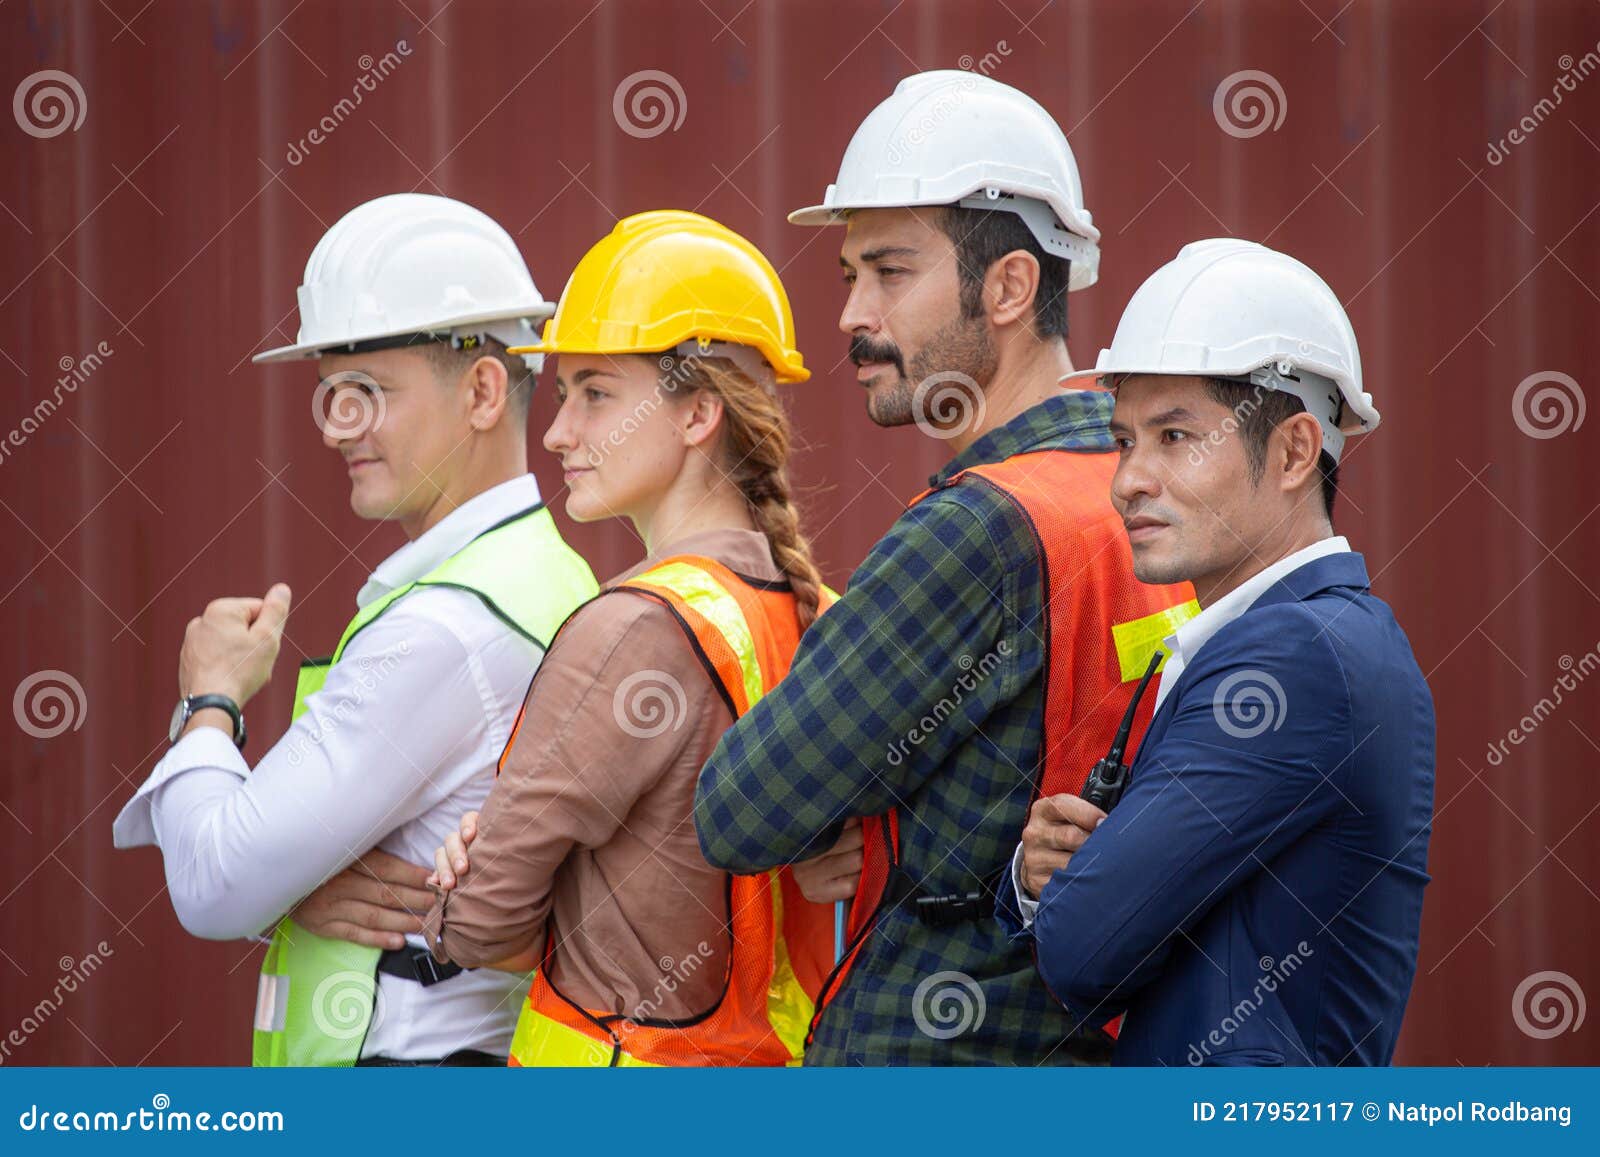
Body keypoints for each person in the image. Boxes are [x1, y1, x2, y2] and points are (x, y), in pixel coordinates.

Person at [692, 71, 1198, 1065]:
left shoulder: (977, 529)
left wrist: (832, 814)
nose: (849, 315)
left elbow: (740, 809)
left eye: (889, 272)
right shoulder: (1140, 489)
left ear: (1008, 285)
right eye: (849, 276)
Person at [112, 193, 598, 1066]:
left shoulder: (447, 627)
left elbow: (217, 881)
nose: (339, 428)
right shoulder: (542, 578)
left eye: (368, 391)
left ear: (483, 389)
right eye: (332, 391)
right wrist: (297, 887)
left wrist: (210, 700)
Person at [422, 210, 835, 1067]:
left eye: (597, 394)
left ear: (697, 417)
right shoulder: (813, 611)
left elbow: (473, 926)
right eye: (564, 393)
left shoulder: (632, 628)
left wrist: (475, 871)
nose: (558, 431)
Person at [1008, 239, 1435, 1066]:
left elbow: (1086, 950)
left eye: (1175, 436)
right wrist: (1041, 876)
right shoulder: (1304, 639)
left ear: (1293, 451)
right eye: (1125, 439)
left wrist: (1066, 897)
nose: (1128, 478)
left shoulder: (1295, 654)